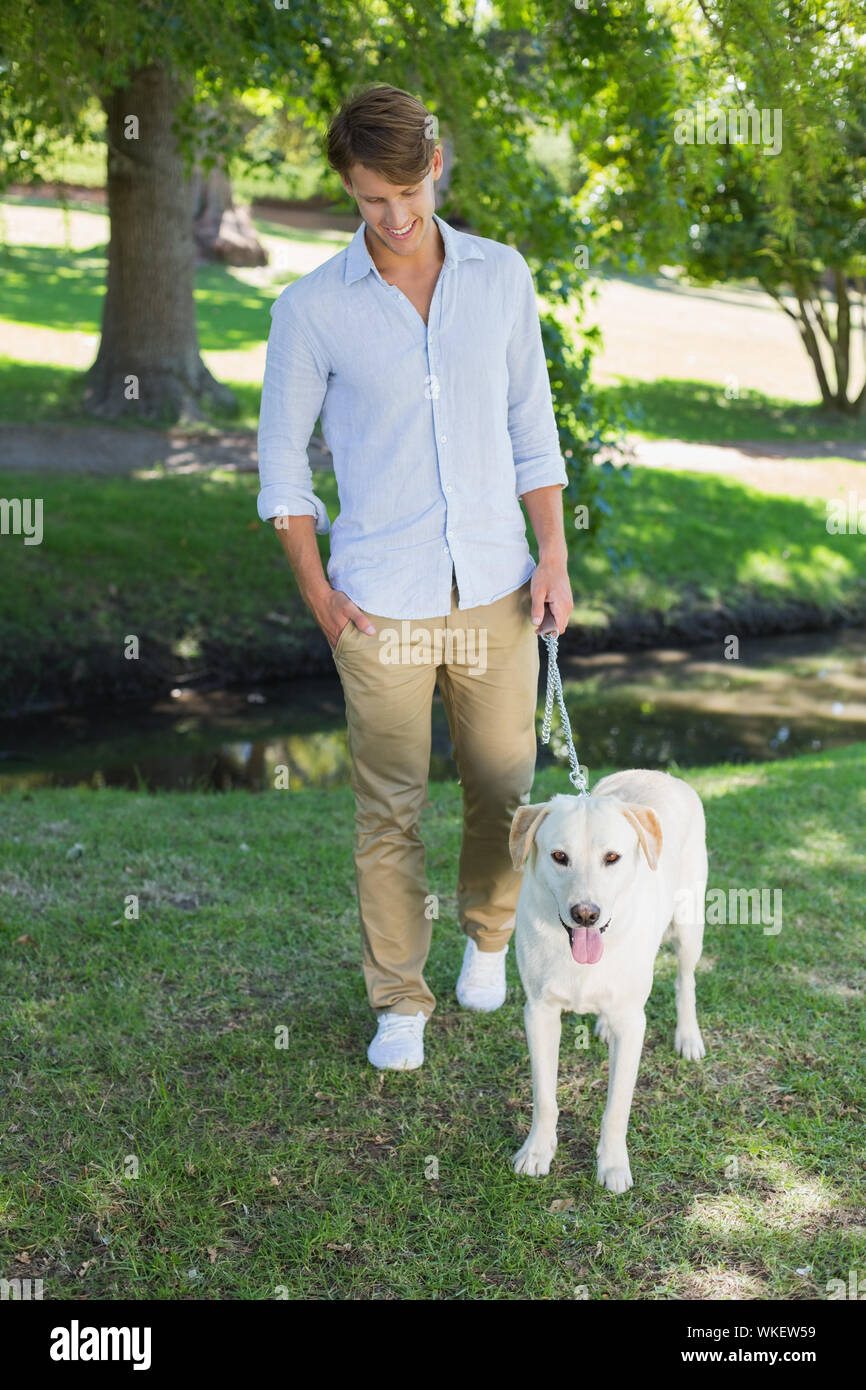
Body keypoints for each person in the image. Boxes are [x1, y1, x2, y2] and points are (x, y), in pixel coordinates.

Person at [256, 83, 573, 1071]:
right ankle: (399, 996)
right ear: (347, 192)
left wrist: (553, 551)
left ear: (434, 163)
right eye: (368, 200)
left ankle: (487, 933)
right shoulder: (309, 310)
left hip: (496, 591)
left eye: (407, 189)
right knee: (388, 805)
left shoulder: (500, 277)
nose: (393, 218)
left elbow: (532, 425)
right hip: (377, 605)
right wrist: (318, 594)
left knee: (500, 787)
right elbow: (281, 468)